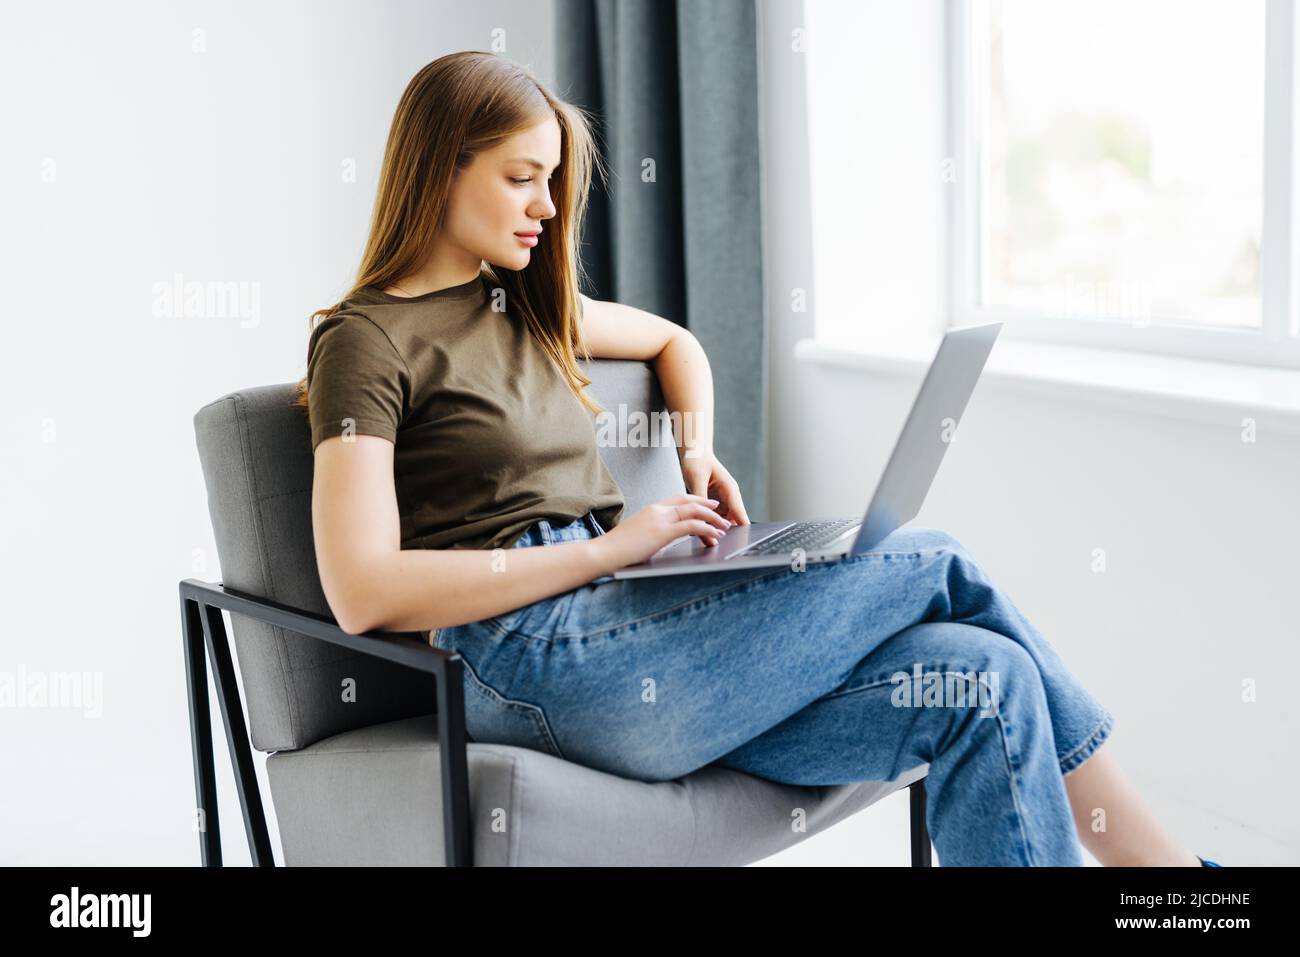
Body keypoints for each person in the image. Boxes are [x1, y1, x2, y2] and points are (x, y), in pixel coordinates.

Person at [294, 51, 1218, 867]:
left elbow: (672, 341)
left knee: (981, 681)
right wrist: (606, 551)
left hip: (624, 628)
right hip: (531, 661)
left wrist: (696, 454)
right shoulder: (365, 343)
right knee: (936, 561)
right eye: (521, 177)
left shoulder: (528, 309)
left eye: (551, 179)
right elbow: (364, 589)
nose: (545, 206)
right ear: (439, 171)